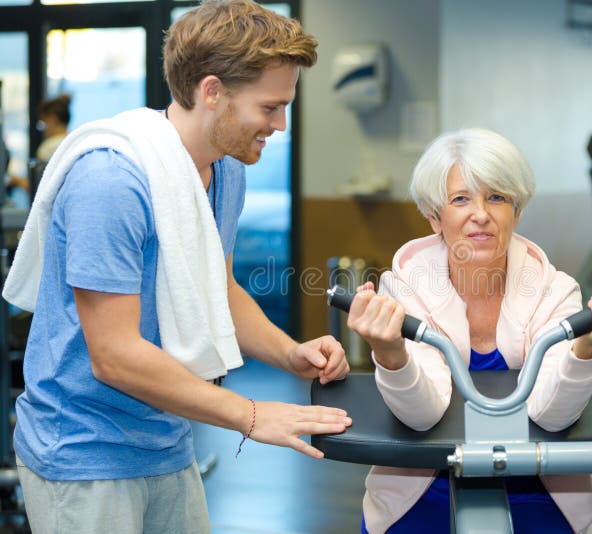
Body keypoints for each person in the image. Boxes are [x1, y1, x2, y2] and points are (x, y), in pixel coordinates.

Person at [2, 1, 352, 532]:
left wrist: (290, 353)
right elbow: (115, 356)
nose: (280, 125)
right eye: (270, 107)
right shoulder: (112, 182)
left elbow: (221, 287)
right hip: (83, 449)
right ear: (212, 92)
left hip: (165, 438)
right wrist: (251, 415)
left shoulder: (224, 169)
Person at [347, 128, 592, 533]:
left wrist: (589, 342)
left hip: (537, 488)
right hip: (422, 489)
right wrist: (389, 352)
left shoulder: (555, 290)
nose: (481, 214)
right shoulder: (404, 288)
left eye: (497, 197)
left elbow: (552, 416)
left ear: (517, 212)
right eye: (460, 199)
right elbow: (422, 416)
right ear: (435, 217)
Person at [7, 94, 71, 197]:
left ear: (52, 119)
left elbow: (38, 188)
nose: (43, 129)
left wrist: (16, 181)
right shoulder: (72, 142)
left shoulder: (49, 147)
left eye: (43, 123)